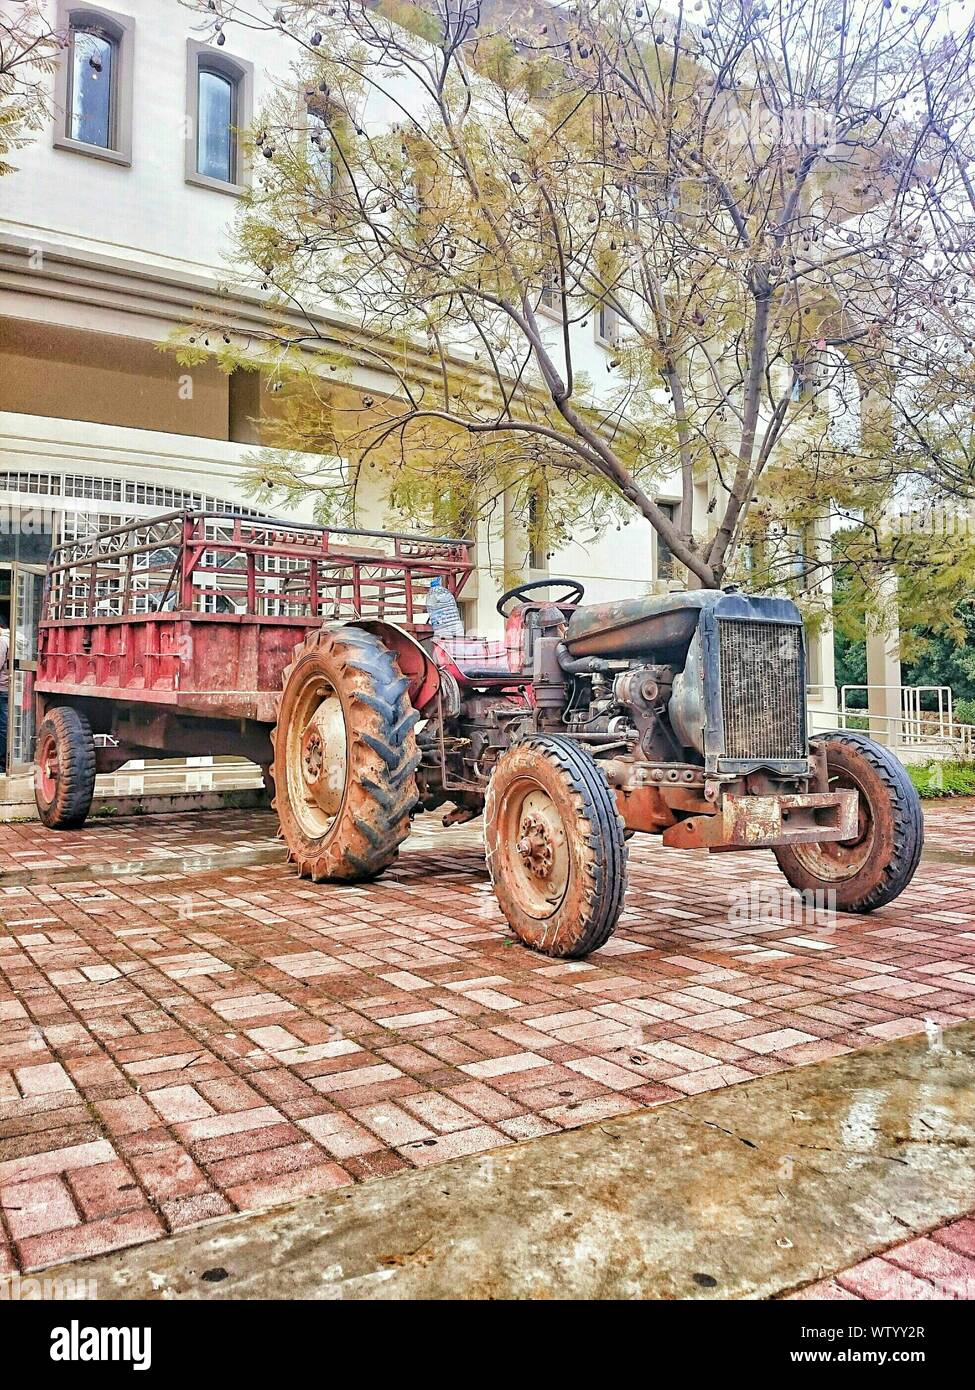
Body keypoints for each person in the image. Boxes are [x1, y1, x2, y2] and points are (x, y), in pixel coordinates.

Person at [0, 617, 8, 775]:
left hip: (3, 688)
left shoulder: (2, 641)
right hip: (13, 688)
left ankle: (1, 763)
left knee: (3, 727)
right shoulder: (20, 638)